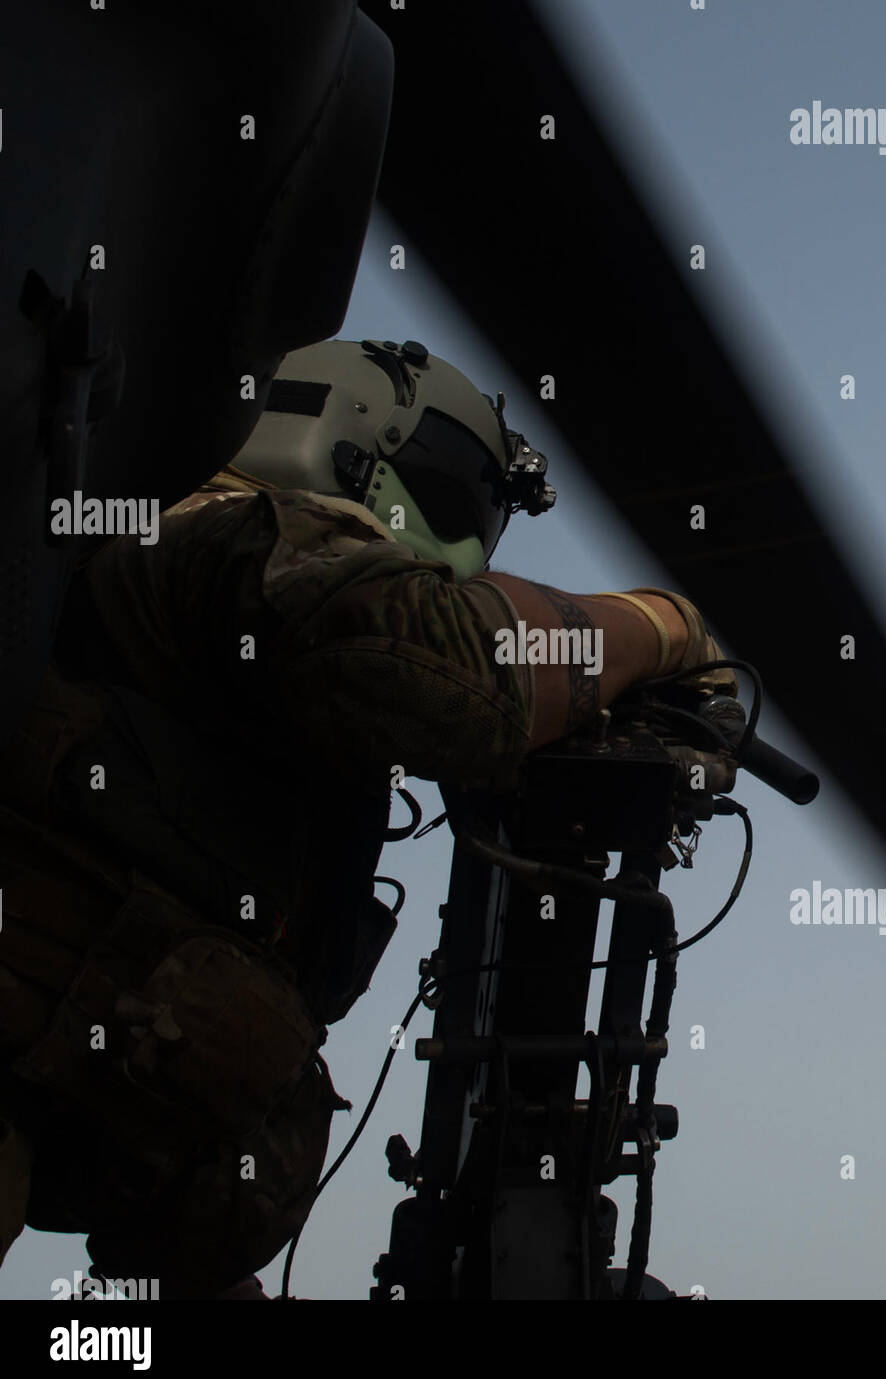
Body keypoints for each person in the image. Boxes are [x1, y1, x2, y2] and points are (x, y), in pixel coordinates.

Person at [0, 338, 734, 1299]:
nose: (466, 544)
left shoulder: (221, 707)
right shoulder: (220, 533)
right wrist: (668, 625)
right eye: (459, 492)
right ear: (357, 444)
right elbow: (441, 666)